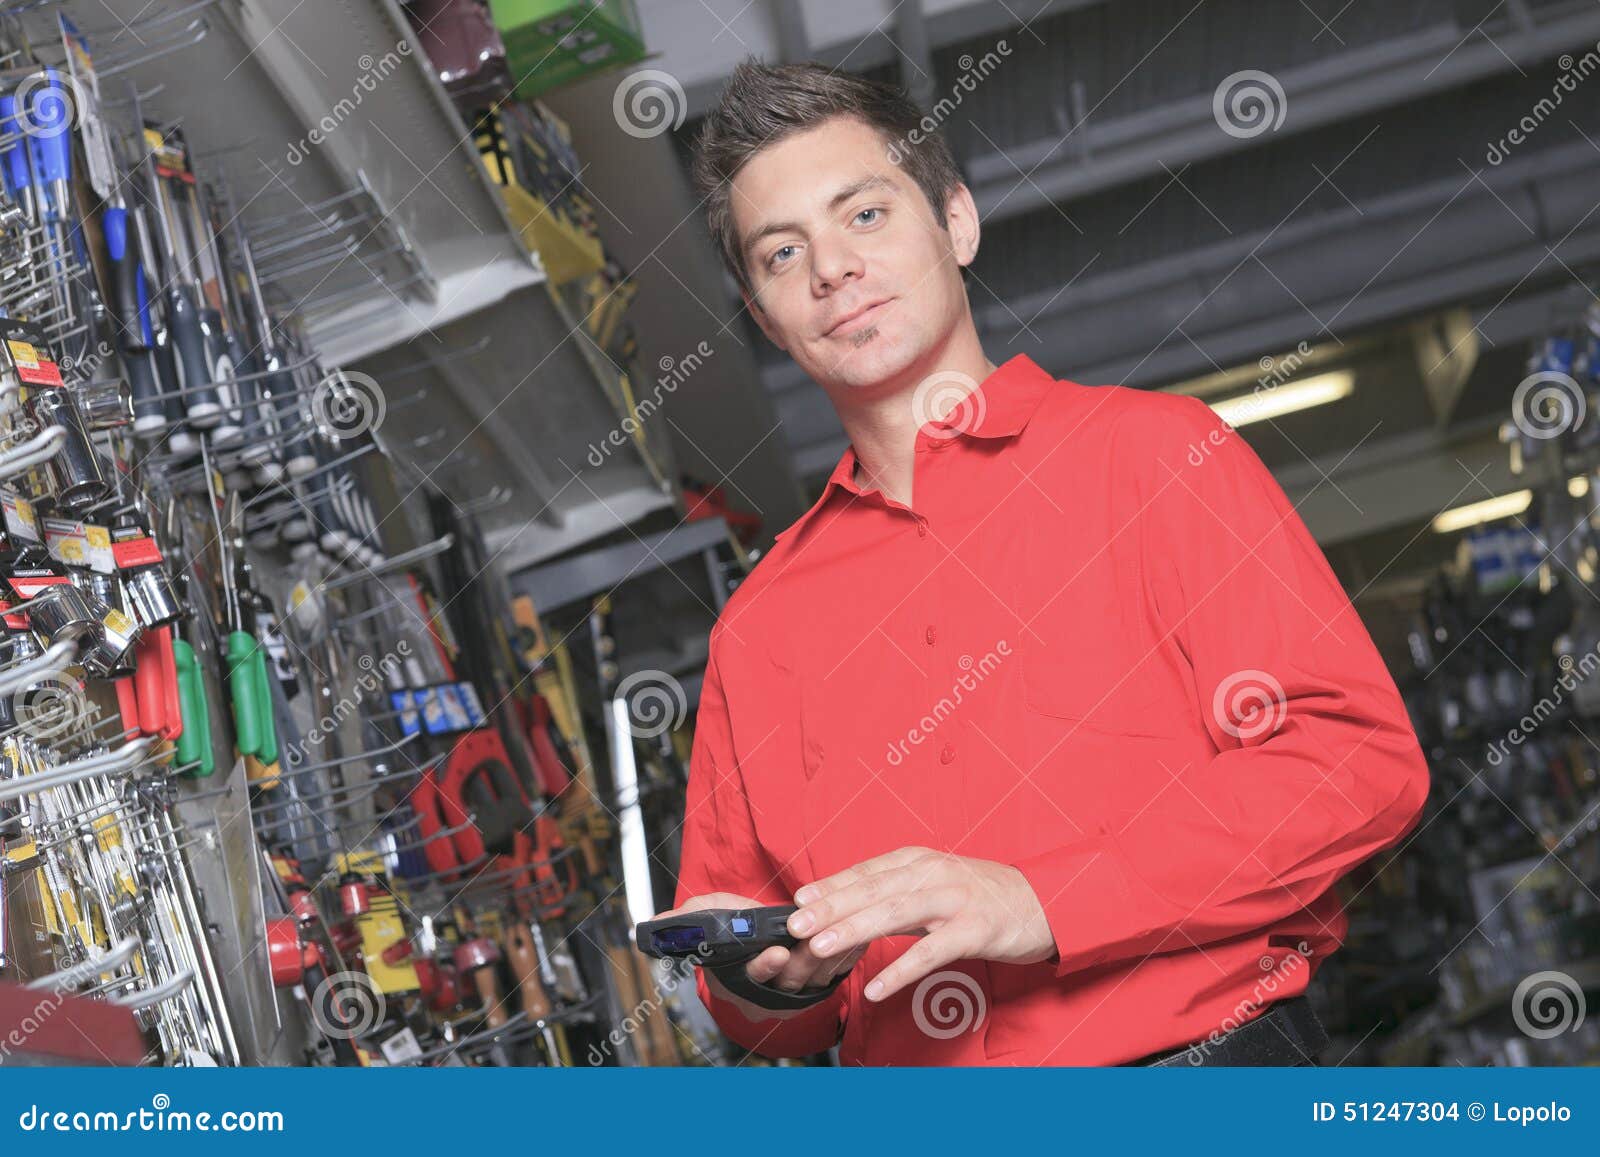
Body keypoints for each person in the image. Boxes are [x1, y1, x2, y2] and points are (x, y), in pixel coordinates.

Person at [649, 60, 1430, 1066]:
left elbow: (1355, 765)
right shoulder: (757, 630)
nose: (830, 268)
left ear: (957, 223)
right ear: (764, 316)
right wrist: (759, 976)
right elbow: (769, 1017)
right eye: (782, 252)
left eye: (866, 215)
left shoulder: (1156, 458)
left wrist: (1042, 899)